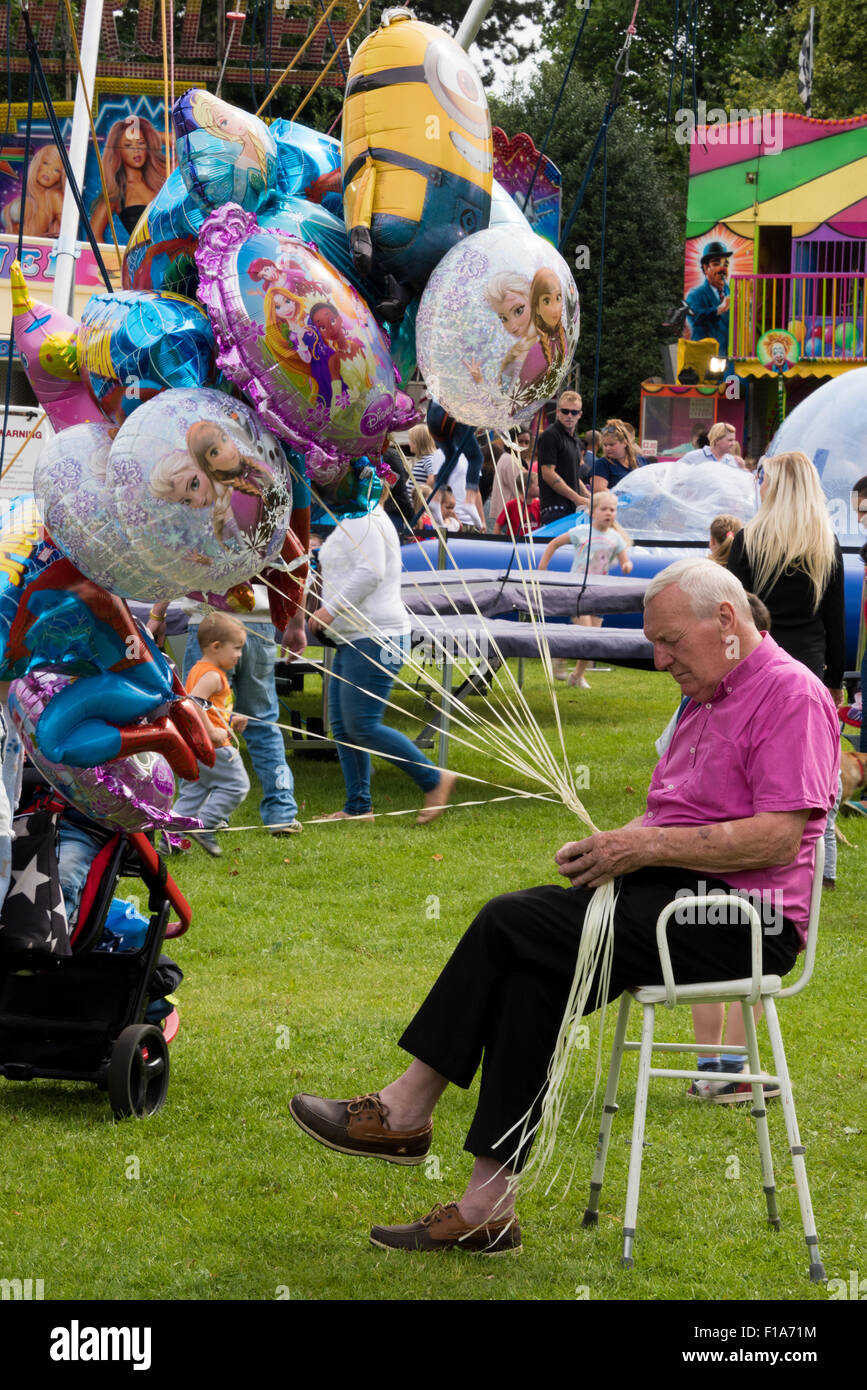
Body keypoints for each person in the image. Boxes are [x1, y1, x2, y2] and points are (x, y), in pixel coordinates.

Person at [289, 560, 839, 1252]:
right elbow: (676, 817)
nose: (658, 659)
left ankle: (406, 1106)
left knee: (508, 920)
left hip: (741, 921)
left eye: (668, 641)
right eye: (653, 644)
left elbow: (776, 835)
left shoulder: (790, 693)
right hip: (673, 897)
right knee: (530, 978)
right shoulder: (704, 694)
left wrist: (639, 850)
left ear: (724, 621)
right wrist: (618, 845)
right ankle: (487, 1208)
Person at [726, 450, 845, 891]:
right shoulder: (825, 542)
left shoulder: (749, 540)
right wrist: (835, 682)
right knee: (811, 766)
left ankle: (749, 844)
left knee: (750, 758)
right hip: (810, 666)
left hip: (758, 662)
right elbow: (835, 618)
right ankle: (820, 862)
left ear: (773, 487)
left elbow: (734, 611)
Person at [308, 502, 456, 823]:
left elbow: (369, 572)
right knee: (344, 728)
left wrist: (329, 609)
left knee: (362, 724)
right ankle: (358, 808)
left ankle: (434, 779)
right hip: (354, 636)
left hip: (376, 635)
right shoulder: (354, 516)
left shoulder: (366, 517)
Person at [172, 613, 250, 857]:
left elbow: (208, 706)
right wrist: (211, 730)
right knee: (237, 786)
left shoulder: (200, 669)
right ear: (216, 647)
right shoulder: (213, 675)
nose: (239, 654)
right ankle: (204, 826)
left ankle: (170, 841)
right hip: (214, 747)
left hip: (197, 747)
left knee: (192, 796)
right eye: (236, 648)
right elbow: (194, 702)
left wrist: (228, 720)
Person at [538, 491, 633, 688]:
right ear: (592, 512)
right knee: (587, 634)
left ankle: (577, 676)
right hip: (579, 590)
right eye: (604, 509)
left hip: (599, 592)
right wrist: (543, 566)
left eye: (612, 510)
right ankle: (560, 654)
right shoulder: (582, 531)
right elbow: (553, 543)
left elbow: (625, 560)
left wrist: (626, 567)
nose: (608, 513)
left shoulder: (615, 538)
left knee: (593, 641)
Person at [90, 116, 166, 242]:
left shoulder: (162, 179)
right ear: (118, 151)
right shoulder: (117, 193)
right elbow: (93, 235)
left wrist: (150, 135)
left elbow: (178, 142)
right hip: (145, 259)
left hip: (178, 258)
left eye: (141, 143)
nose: (136, 150)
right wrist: (112, 261)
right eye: (128, 145)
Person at [537, 390, 590, 527]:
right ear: (558, 412)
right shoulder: (550, 435)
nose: (569, 416)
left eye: (574, 412)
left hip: (572, 508)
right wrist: (577, 497)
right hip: (554, 508)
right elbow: (548, 473)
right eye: (565, 411)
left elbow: (574, 477)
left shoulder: (575, 441)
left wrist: (589, 498)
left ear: (580, 414)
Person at [4, 144, 66, 238]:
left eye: (57, 170)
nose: (48, 171)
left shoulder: (54, 196)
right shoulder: (29, 195)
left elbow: (68, 233)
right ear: (37, 164)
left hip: (31, 250)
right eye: (46, 163)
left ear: (60, 177)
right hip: (11, 248)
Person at [685, 239, 731, 355]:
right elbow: (695, 318)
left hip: (727, 356)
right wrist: (719, 309)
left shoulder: (730, 293)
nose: (722, 269)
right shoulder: (696, 294)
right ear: (705, 268)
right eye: (716, 264)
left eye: (725, 264)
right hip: (704, 357)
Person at [590, 419, 644, 489]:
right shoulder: (601, 464)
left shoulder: (641, 461)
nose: (607, 448)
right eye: (605, 445)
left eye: (612, 444)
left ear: (625, 443)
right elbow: (599, 491)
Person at [494, 472, 540, 539]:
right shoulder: (511, 505)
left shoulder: (538, 504)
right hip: (516, 546)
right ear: (525, 488)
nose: (540, 488)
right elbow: (498, 526)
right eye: (538, 485)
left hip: (533, 545)